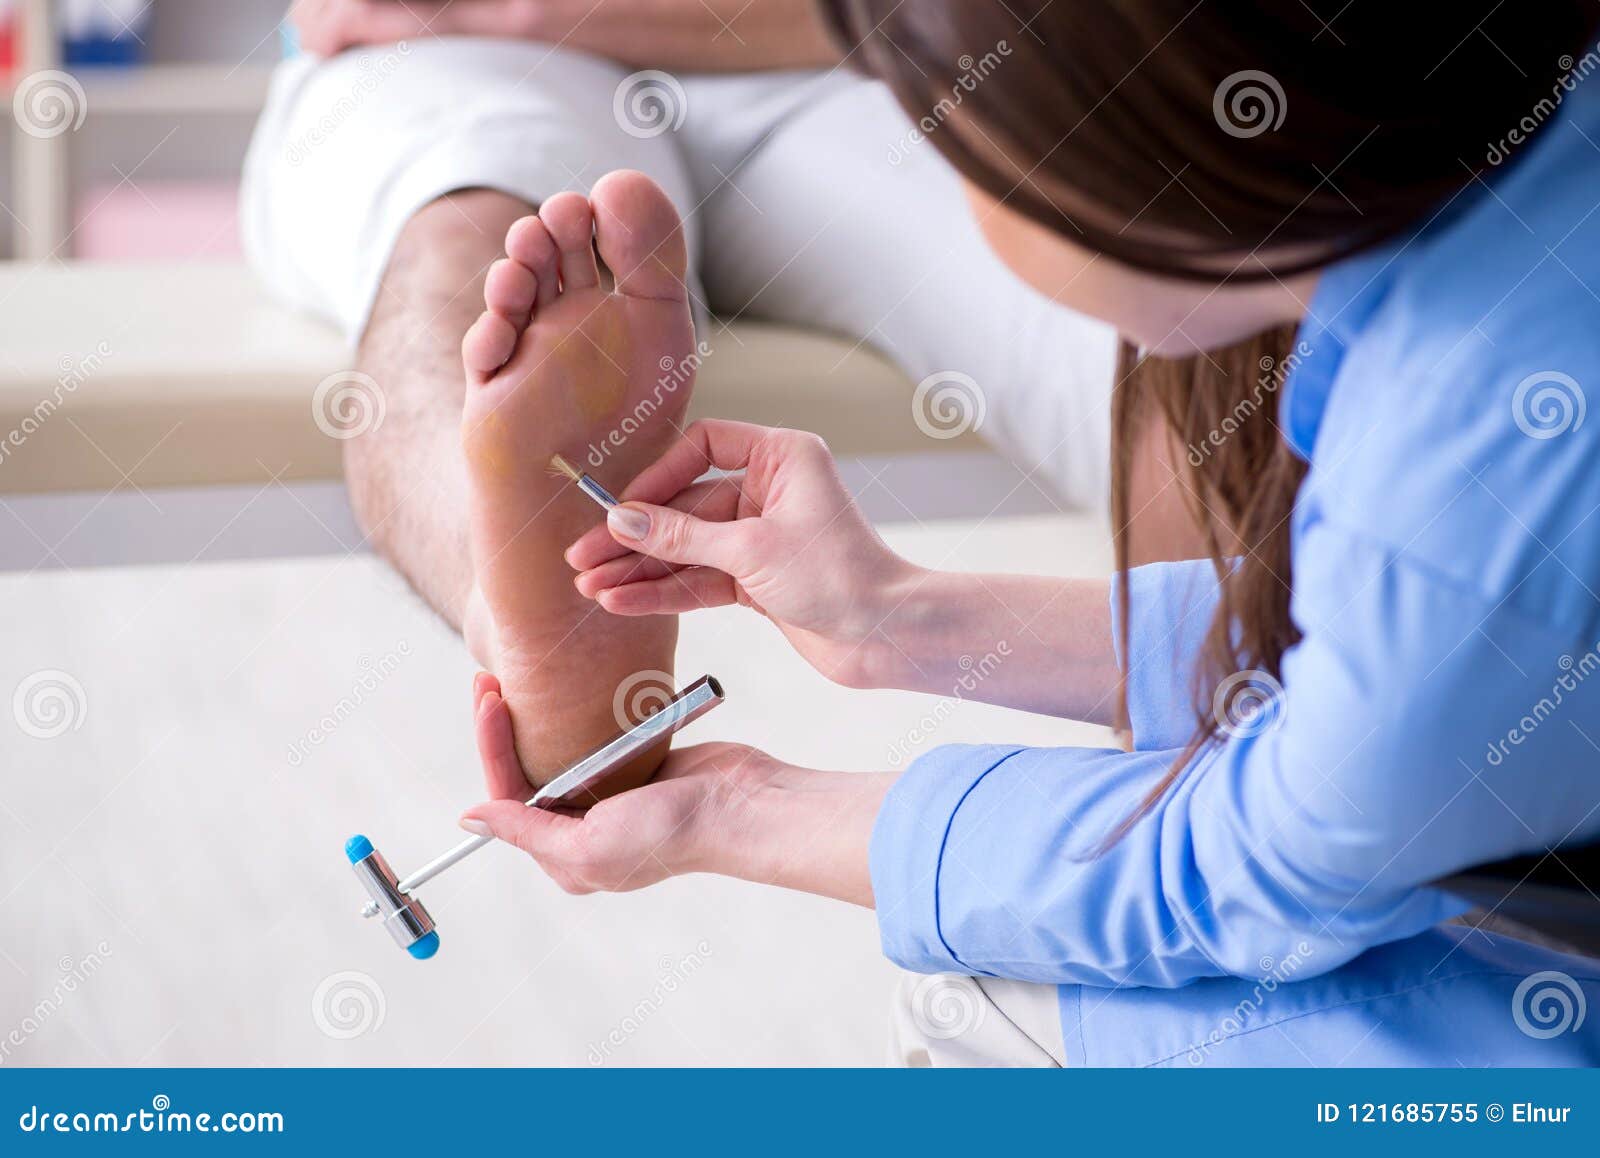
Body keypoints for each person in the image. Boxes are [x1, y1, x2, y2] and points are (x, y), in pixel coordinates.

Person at [455, 1, 1600, 1065]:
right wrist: (892, 618)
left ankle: (532, 644)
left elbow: (1236, 873)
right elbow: (1402, 657)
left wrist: (730, 811)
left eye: (950, 147)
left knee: (997, 995)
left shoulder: (1462, 491)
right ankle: (524, 616)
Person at [241, 0, 1118, 786]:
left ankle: (1201, 763)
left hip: (855, 57)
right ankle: (512, 611)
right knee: (465, 243)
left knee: (1127, 322)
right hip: (458, 54)